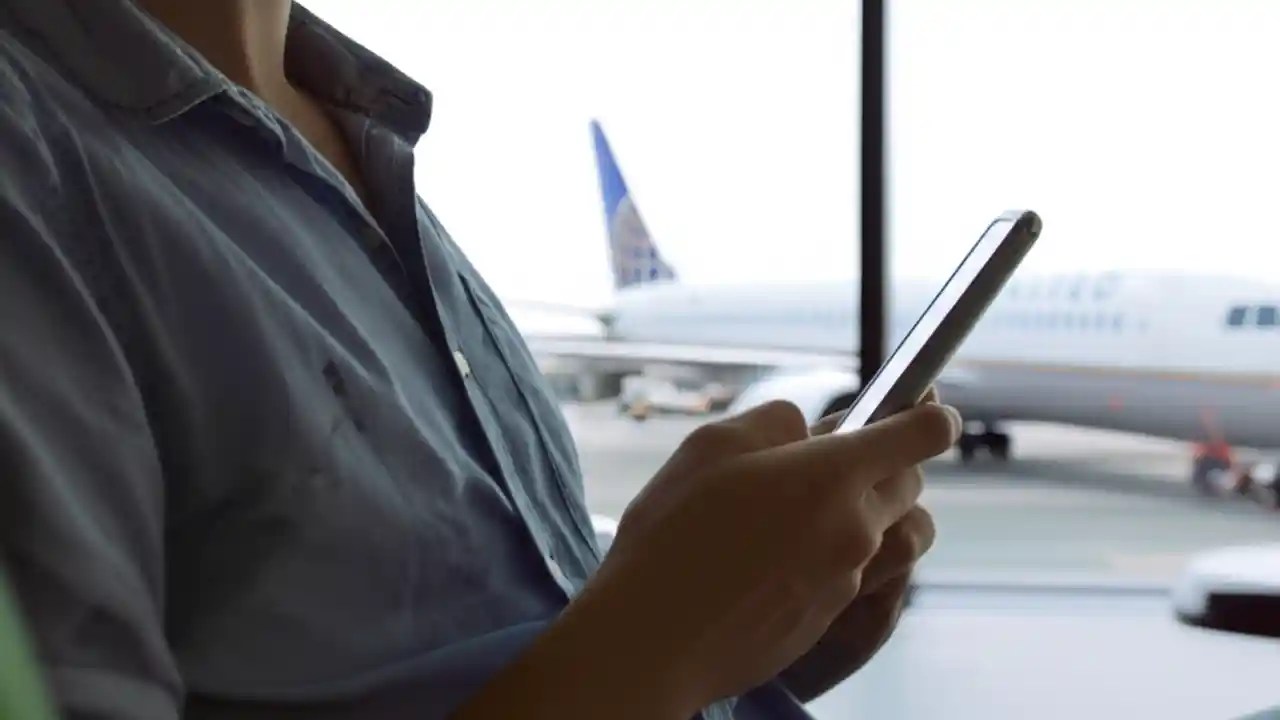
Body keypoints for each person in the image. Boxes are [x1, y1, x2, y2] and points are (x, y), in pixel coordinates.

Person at [0, 1, 962, 718]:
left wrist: (750, 636)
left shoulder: (353, 137)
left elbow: (488, 656)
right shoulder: (38, 154)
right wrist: (658, 641)